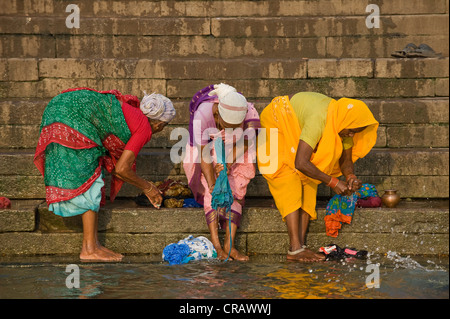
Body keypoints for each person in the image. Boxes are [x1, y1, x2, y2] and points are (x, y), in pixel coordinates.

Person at [34, 88, 176, 262]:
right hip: (71, 114)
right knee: (89, 181)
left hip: (61, 106)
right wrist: (148, 187)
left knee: (93, 177)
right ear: (160, 124)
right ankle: (89, 249)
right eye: (163, 127)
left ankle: (94, 244)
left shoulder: (133, 113)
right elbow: (122, 169)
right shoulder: (144, 127)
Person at [257, 92, 379, 262]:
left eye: (355, 132)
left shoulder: (342, 122)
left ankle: (300, 247)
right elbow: (300, 162)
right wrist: (333, 181)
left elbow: (346, 158)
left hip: (298, 126)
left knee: (309, 181)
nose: (351, 135)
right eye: (351, 131)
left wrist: (350, 175)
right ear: (347, 122)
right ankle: (294, 249)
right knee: (288, 178)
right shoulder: (320, 119)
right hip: (278, 121)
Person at [183, 83, 260, 261]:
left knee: (236, 187)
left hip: (239, 148)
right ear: (217, 114)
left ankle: (229, 246)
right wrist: (212, 183)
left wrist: (227, 164)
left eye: (235, 126)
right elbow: (203, 153)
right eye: (227, 125)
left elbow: (248, 142)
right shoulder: (203, 114)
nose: (230, 129)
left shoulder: (249, 111)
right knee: (212, 191)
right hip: (208, 147)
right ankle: (217, 246)